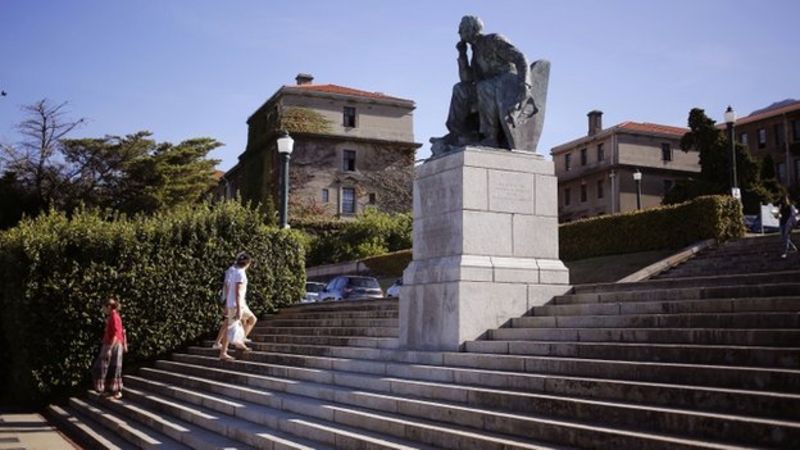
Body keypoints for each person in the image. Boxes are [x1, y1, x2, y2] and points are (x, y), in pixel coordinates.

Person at [431, 15, 536, 154]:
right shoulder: (474, 51)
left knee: (483, 86)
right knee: (460, 89)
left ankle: (490, 137)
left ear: (472, 29)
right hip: (488, 89)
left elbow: (520, 58)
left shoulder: (493, 40)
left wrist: (525, 83)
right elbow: (466, 80)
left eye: (461, 29)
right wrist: (462, 55)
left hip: (507, 84)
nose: (458, 33)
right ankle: (460, 134)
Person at [216, 252, 256, 360]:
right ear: (248, 263)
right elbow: (238, 292)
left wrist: (226, 304)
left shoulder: (234, 272)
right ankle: (223, 353)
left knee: (252, 319)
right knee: (230, 328)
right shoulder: (240, 274)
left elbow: (229, 289)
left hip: (238, 304)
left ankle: (240, 342)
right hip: (236, 305)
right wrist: (238, 309)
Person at [91, 297, 127, 400]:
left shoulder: (114, 316)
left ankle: (116, 391)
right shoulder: (111, 317)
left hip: (113, 345)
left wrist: (110, 348)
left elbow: (117, 333)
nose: (103, 310)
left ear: (109, 307)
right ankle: (108, 390)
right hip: (109, 344)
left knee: (113, 367)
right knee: (106, 367)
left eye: (104, 307)